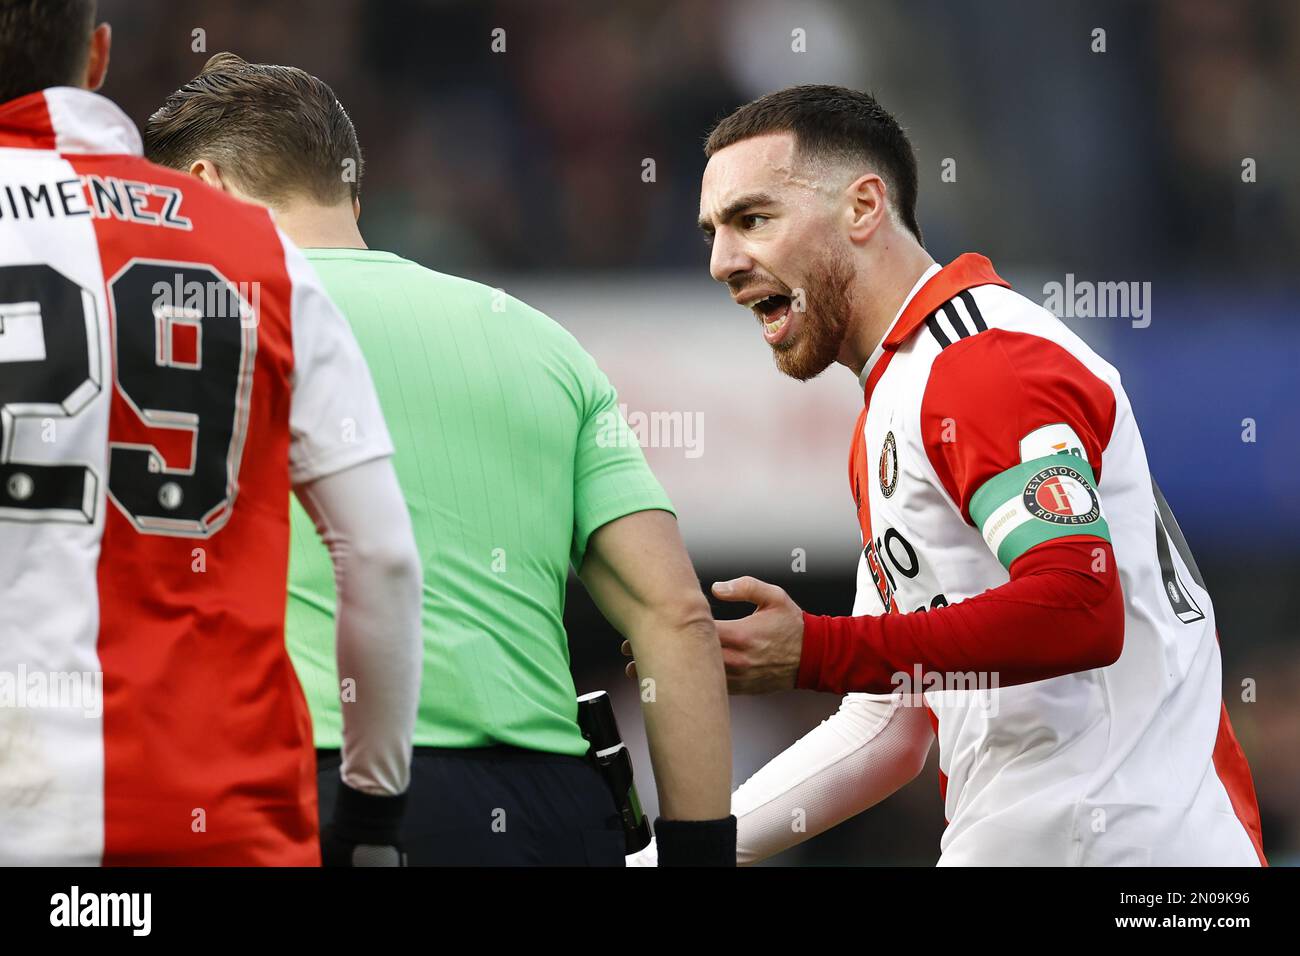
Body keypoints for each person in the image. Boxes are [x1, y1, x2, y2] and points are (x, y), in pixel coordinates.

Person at [638, 84, 1264, 866]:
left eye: (752, 219)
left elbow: (1080, 606)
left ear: (863, 208)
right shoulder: (893, 403)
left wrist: (817, 651)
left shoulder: (979, 361)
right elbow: (886, 729)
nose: (722, 262)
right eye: (712, 232)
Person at [145, 54, 737, 866]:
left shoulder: (185, 337)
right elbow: (675, 615)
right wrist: (699, 856)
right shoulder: (539, 341)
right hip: (552, 815)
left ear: (206, 185)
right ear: (348, 192)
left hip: (309, 793)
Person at [0, 1, 422, 865]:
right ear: (99, 57)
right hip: (215, 819)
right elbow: (381, 557)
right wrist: (374, 815)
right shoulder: (257, 252)